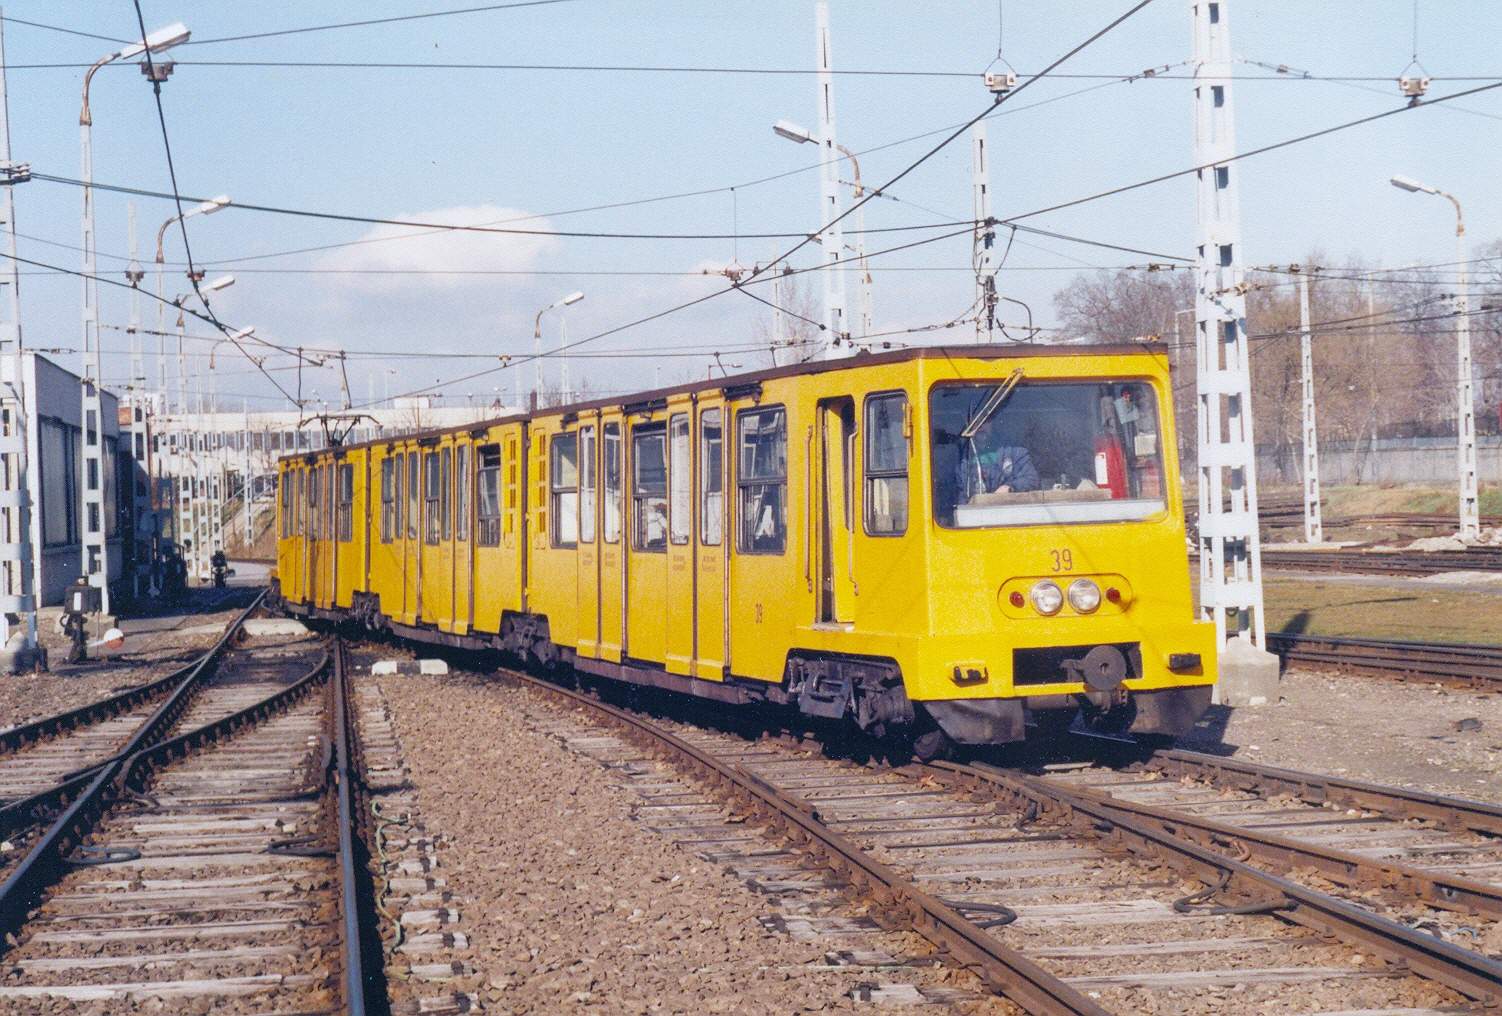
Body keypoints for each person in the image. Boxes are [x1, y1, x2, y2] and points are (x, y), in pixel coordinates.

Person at [953, 417, 1039, 502]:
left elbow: (1031, 479)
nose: (979, 427)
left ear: (992, 422)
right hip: (969, 513)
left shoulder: (1013, 450)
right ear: (967, 422)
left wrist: (1010, 487)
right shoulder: (958, 455)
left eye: (985, 421)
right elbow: (947, 491)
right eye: (975, 422)